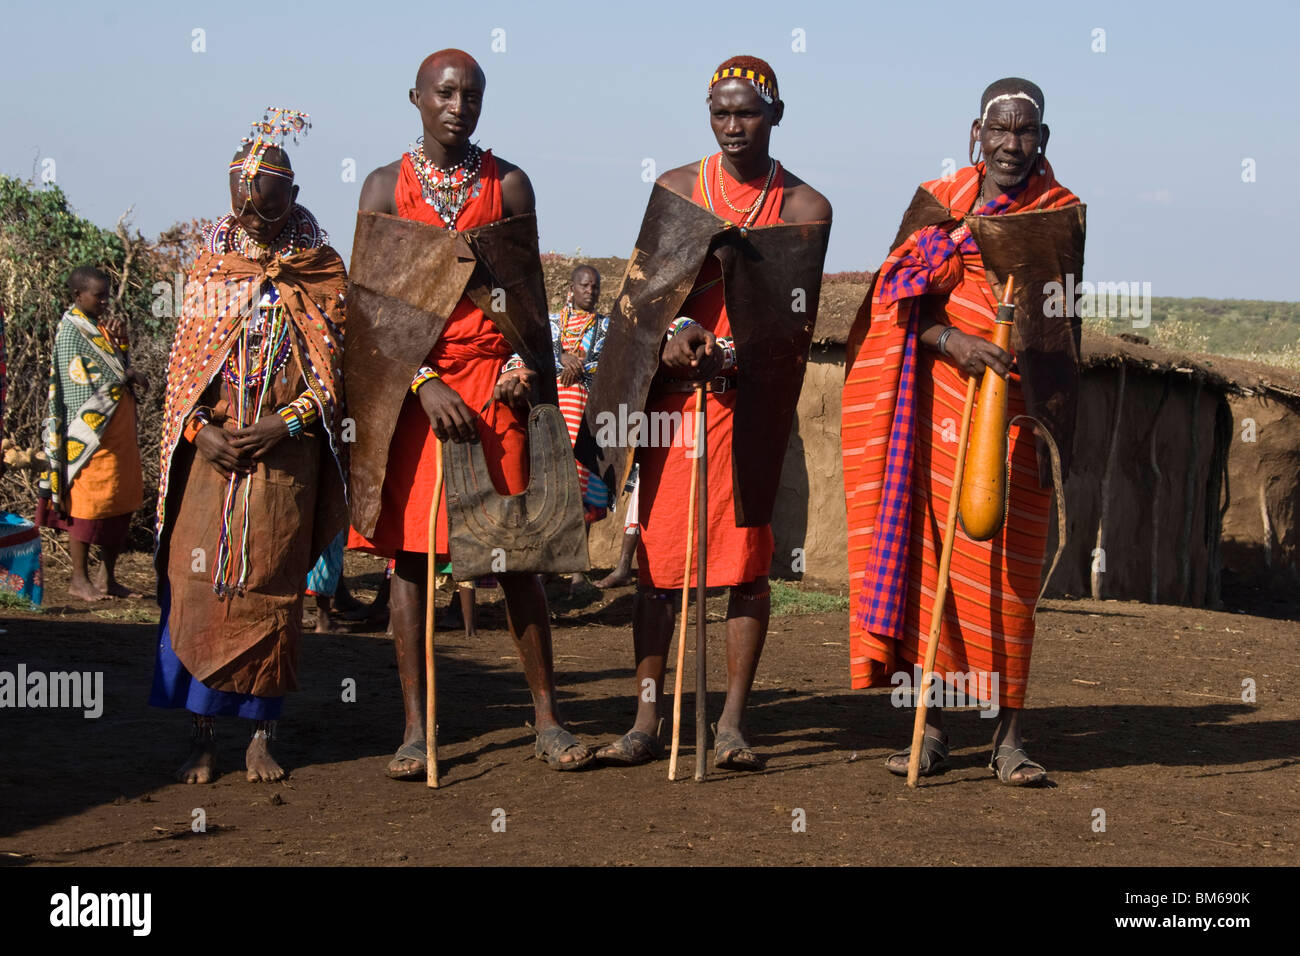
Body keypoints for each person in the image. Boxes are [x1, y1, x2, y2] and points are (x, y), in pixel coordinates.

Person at [347, 49, 593, 779]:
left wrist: (521, 368)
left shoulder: (508, 184)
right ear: (416, 97)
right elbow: (370, 317)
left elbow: (526, 301)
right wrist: (422, 381)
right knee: (414, 561)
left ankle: (548, 718)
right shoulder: (386, 188)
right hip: (417, 392)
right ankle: (418, 730)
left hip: (494, 388)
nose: (460, 106)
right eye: (446, 93)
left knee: (516, 555)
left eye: (473, 95)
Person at [581, 56, 831, 768]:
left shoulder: (805, 208)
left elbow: (791, 327)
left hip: (742, 409)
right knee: (659, 567)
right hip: (670, 407)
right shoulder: (675, 189)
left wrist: (726, 351)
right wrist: (668, 339)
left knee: (747, 566)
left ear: (776, 116)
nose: (731, 126)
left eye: (746, 113)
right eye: (719, 112)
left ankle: (730, 726)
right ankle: (645, 721)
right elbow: (641, 301)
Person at [841, 78, 1085, 786]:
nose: (1012, 145)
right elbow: (895, 306)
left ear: (1044, 139)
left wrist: (1034, 399)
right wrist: (954, 342)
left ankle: (1009, 737)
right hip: (939, 409)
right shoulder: (939, 201)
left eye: (1026, 133)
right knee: (932, 570)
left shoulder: (1058, 214)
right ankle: (932, 731)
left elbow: (1061, 329)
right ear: (975, 131)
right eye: (999, 131)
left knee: (1008, 574)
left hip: (1015, 419)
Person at [149, 110, 349, 784]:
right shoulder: (212, 270)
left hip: (284, 462)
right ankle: (201, 736)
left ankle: (262, 734)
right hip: (214, 460)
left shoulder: (321, 272)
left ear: (290, 198)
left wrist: (282, 426)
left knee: (270, 591)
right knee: (197, 584)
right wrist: (202, 431)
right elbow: (182, 379)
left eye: (265, 207)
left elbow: (335, 380)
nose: (252, 221)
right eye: (242, 206)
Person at [36, 267, 147, 601]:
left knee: (121, 500)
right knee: (86, 504)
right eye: (98, 296)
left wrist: (122, 342)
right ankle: (78, 579)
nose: (104, 301)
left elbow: (116, 362)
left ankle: (107, 578)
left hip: (119, 434)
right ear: (77, 296)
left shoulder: (100, 328)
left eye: (106, 295)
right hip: (89, 436)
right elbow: (77, 382)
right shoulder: (70, 331)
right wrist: (128, 374)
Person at [549, 265, 611, 590]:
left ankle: (576, 572)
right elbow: (536, 354)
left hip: (587, 415)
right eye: (585, 286)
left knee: (583, 487)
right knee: (552, 486)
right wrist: (562, 358)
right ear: (571, 289)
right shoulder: (551, 323)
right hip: (554, 415)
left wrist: (582, 364)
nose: (591, 291)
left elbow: (610, 362)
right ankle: (544, 567)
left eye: (596, 287)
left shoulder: (606, 327)